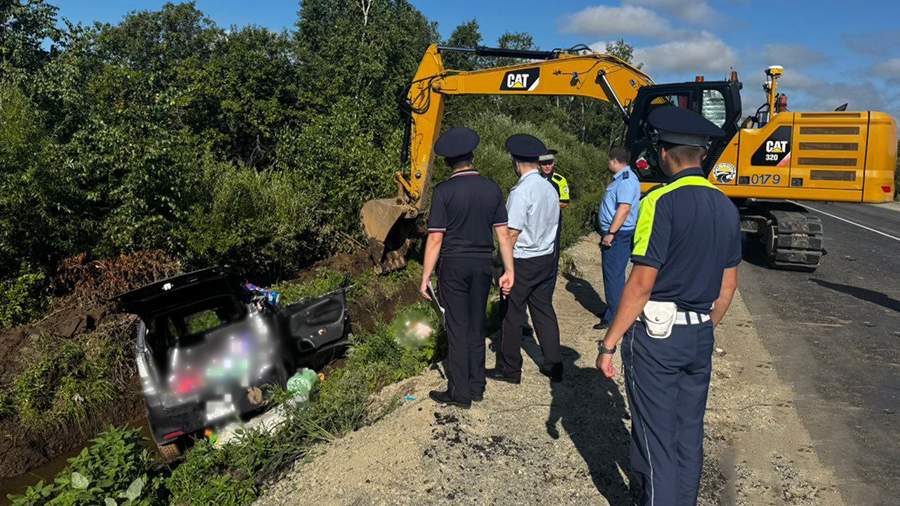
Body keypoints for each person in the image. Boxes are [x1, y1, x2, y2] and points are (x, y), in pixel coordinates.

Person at [595, 106, 741, 506]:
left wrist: (609, 343)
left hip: (658, 338)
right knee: (687, 434)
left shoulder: (659, 201)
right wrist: (705, 324)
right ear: (700, 154)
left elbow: (641, 283)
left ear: (664, 153)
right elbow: (729, 284)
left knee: (656, 435)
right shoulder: (726, 206)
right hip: (698, 335)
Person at [420, 127, 515, 409]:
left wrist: (425, 276)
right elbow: (503, 234)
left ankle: (459, 393)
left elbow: (436, 238)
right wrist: (508, 270)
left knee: (457, 328)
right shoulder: (491, 188)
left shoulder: (444, 192)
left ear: (448, 162)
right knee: (476, 324)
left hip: (454, 266)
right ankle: (477, 386)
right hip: (483, 264)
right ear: (472, 157)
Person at [488, 133, 563, 384]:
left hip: (523, 259)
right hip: (546, 258)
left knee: (511, 313)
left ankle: (510, 369)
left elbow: (511, 234)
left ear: (515, 161)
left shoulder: (521, 192)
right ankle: (554, 364)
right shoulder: (549, 188)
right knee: (543, 310)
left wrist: (504, 267)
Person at [594, 146, 641, 330]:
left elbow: (624, 209)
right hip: (617, 233)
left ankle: (614, 317)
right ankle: (612, 310)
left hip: (618, 235)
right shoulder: (623, 179)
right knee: (614, 275)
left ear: (614, 161)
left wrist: (611, 233)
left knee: (613, 276)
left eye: (609, 160)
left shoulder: (626, 181)